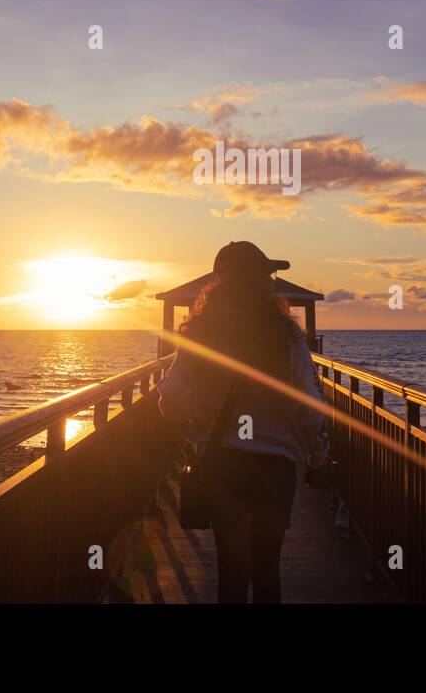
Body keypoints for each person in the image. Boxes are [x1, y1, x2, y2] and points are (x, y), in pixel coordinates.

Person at [158, 241, 328, 603]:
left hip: (224, 463)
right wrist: (316, 455)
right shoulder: (286, 336)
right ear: (261, 282)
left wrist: (192, 430)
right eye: (268, 275)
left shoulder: (200, 334)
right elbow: (309, 406)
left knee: (232, 573)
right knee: (267, 570)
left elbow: (169, 396)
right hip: (276, 466)